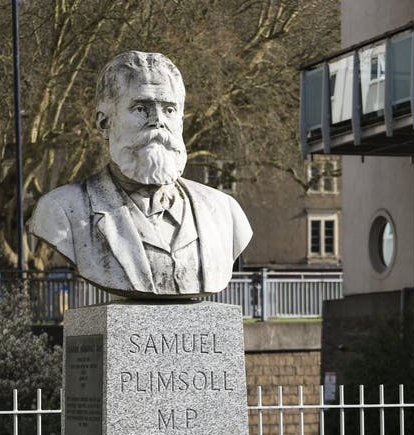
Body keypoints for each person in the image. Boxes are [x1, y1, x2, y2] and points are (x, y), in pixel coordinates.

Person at [29, 50, 252, 299]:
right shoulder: (62, 210)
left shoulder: (224, 211)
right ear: (104, 122)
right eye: (140, 109)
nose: (157, 122)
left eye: (168, 109)